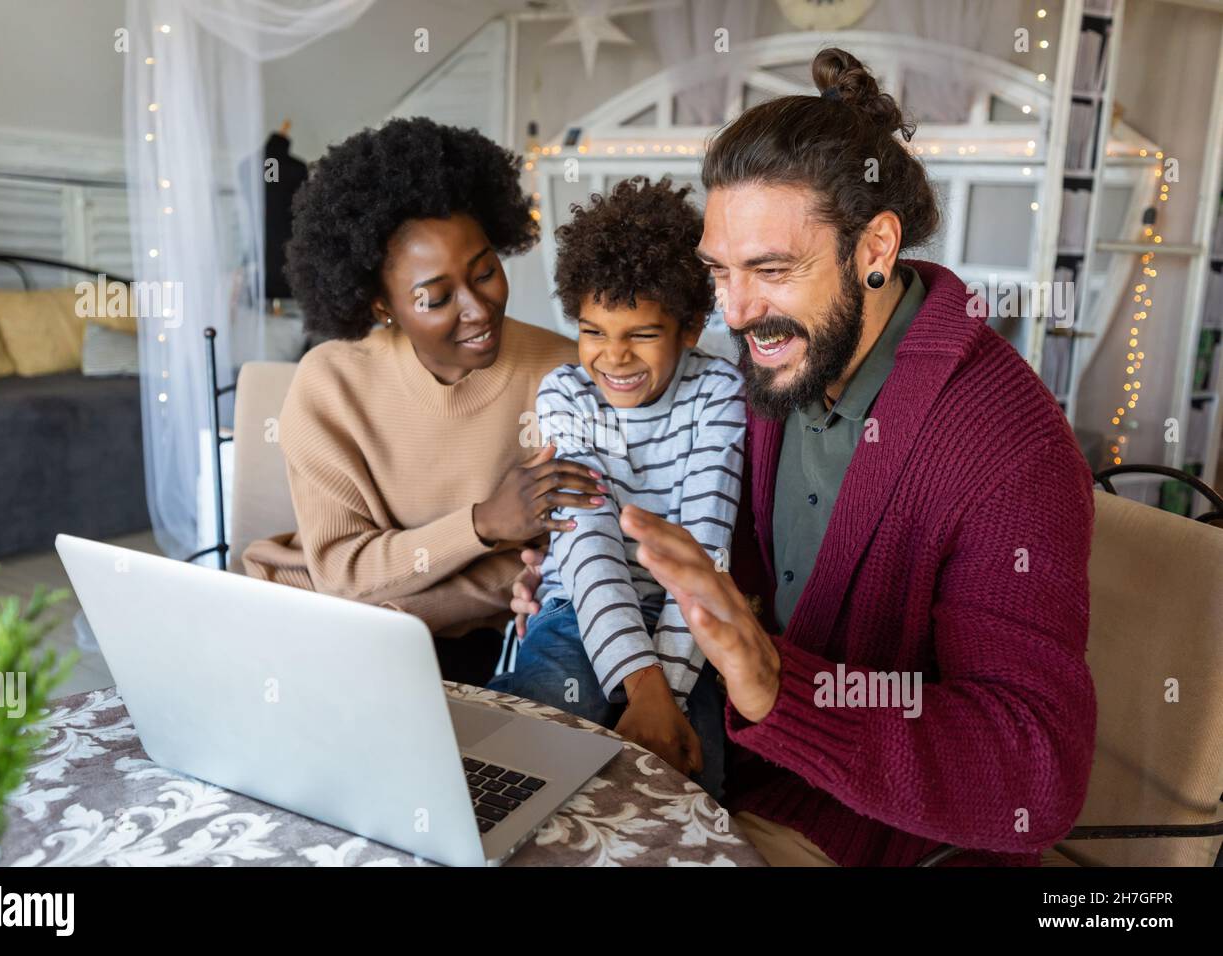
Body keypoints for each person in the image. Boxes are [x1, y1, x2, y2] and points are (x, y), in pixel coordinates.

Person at [511, 49, 1097, 866]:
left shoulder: (1007, 446)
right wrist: (578, 587)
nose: (736, 311)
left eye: (773, 270)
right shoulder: (772, 375)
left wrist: (781, 690)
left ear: (875, 247)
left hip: (857, 831)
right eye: (719, 272)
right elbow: (718, 571)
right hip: (719, 767)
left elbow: (1036, 776)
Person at [243, 117, 603, 687]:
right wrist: (484, 524)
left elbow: (558, 561)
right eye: (436, 297)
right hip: (311, 613)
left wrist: (403, 614)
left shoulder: (564, 373)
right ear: (382, 307)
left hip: (459, 638)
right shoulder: (330, 384)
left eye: (485, 271)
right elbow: (339, 571)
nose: (478, 308)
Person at [489, 178, 745, 797]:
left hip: (682, 626)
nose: (613, 357)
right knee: (515, 764)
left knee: (691, 787)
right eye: (593, 330)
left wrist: (667, 697)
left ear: (689, 327)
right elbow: (586, 537)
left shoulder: (718, 395)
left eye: (642, 334)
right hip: (577, 607)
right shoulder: (565, 393)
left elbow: (702, 555)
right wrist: (643, 686)